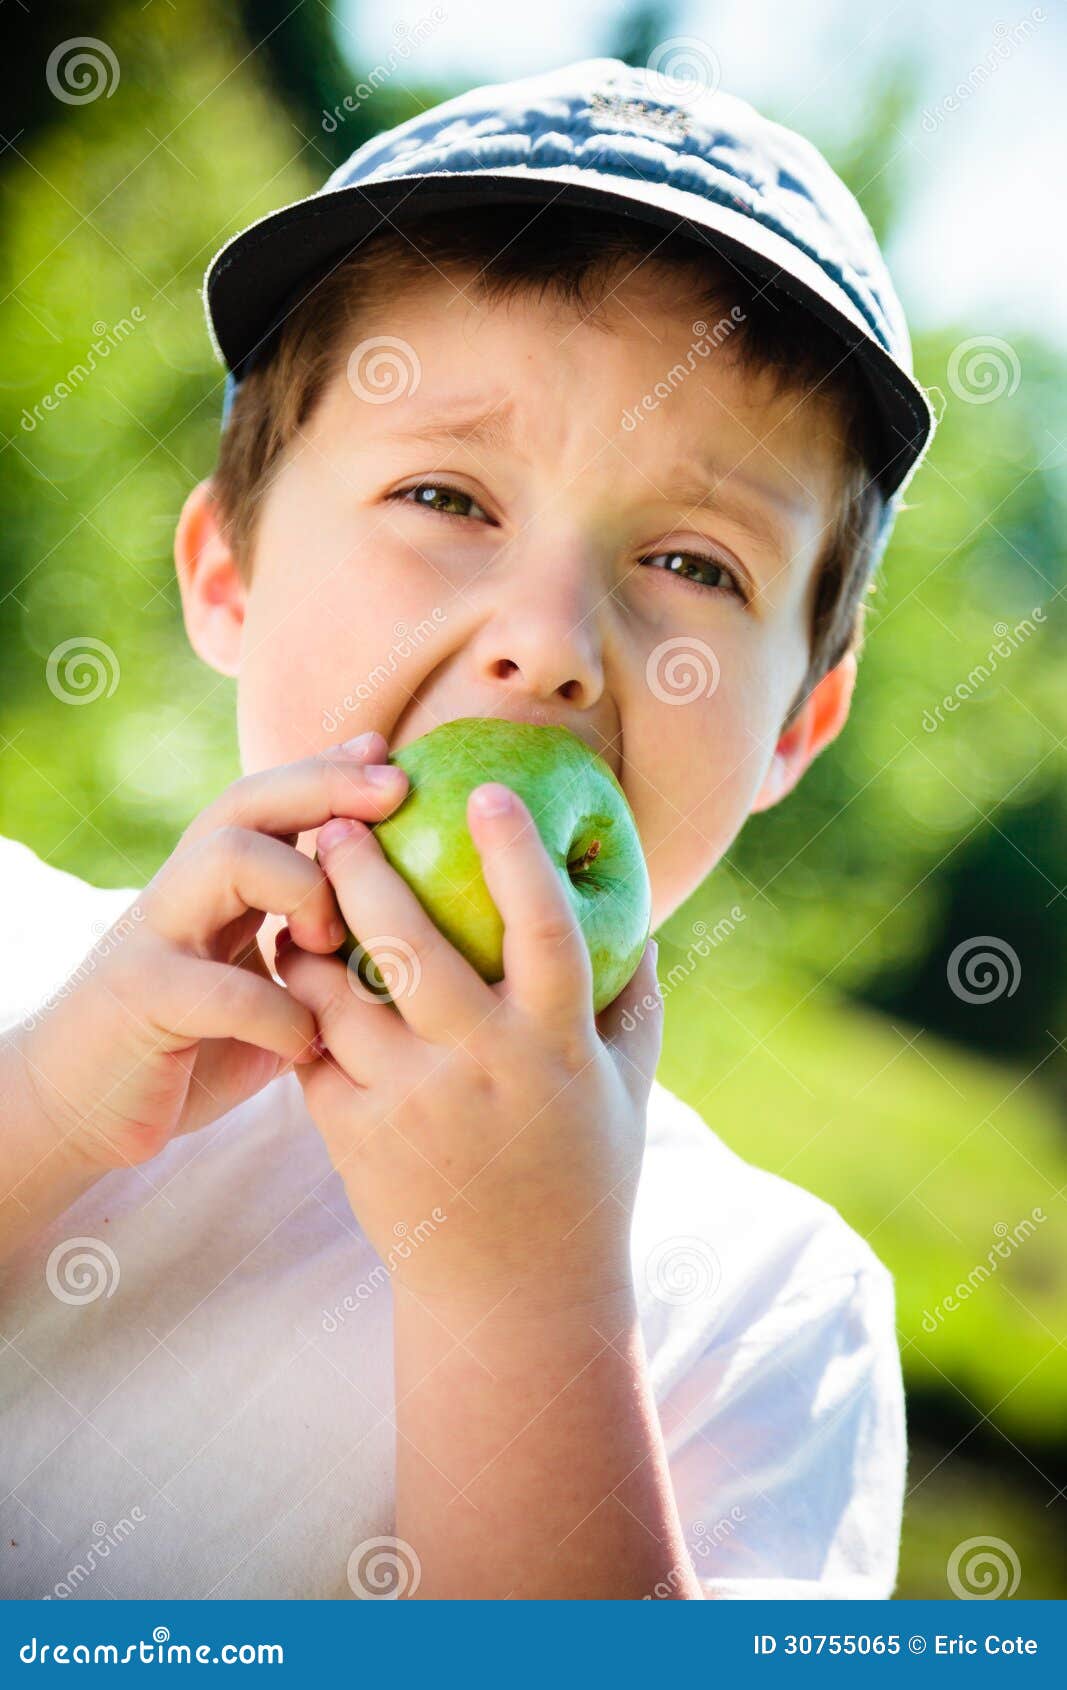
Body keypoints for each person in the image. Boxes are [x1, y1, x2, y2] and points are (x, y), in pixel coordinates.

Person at [0, 57, 935, 1600]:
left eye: (696, 566)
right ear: (226, 572)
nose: (548, 637)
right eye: (447, 494)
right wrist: (49, 1103)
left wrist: (530, 1305)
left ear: (793, 729)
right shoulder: (23, 958)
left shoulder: (773, 1308)